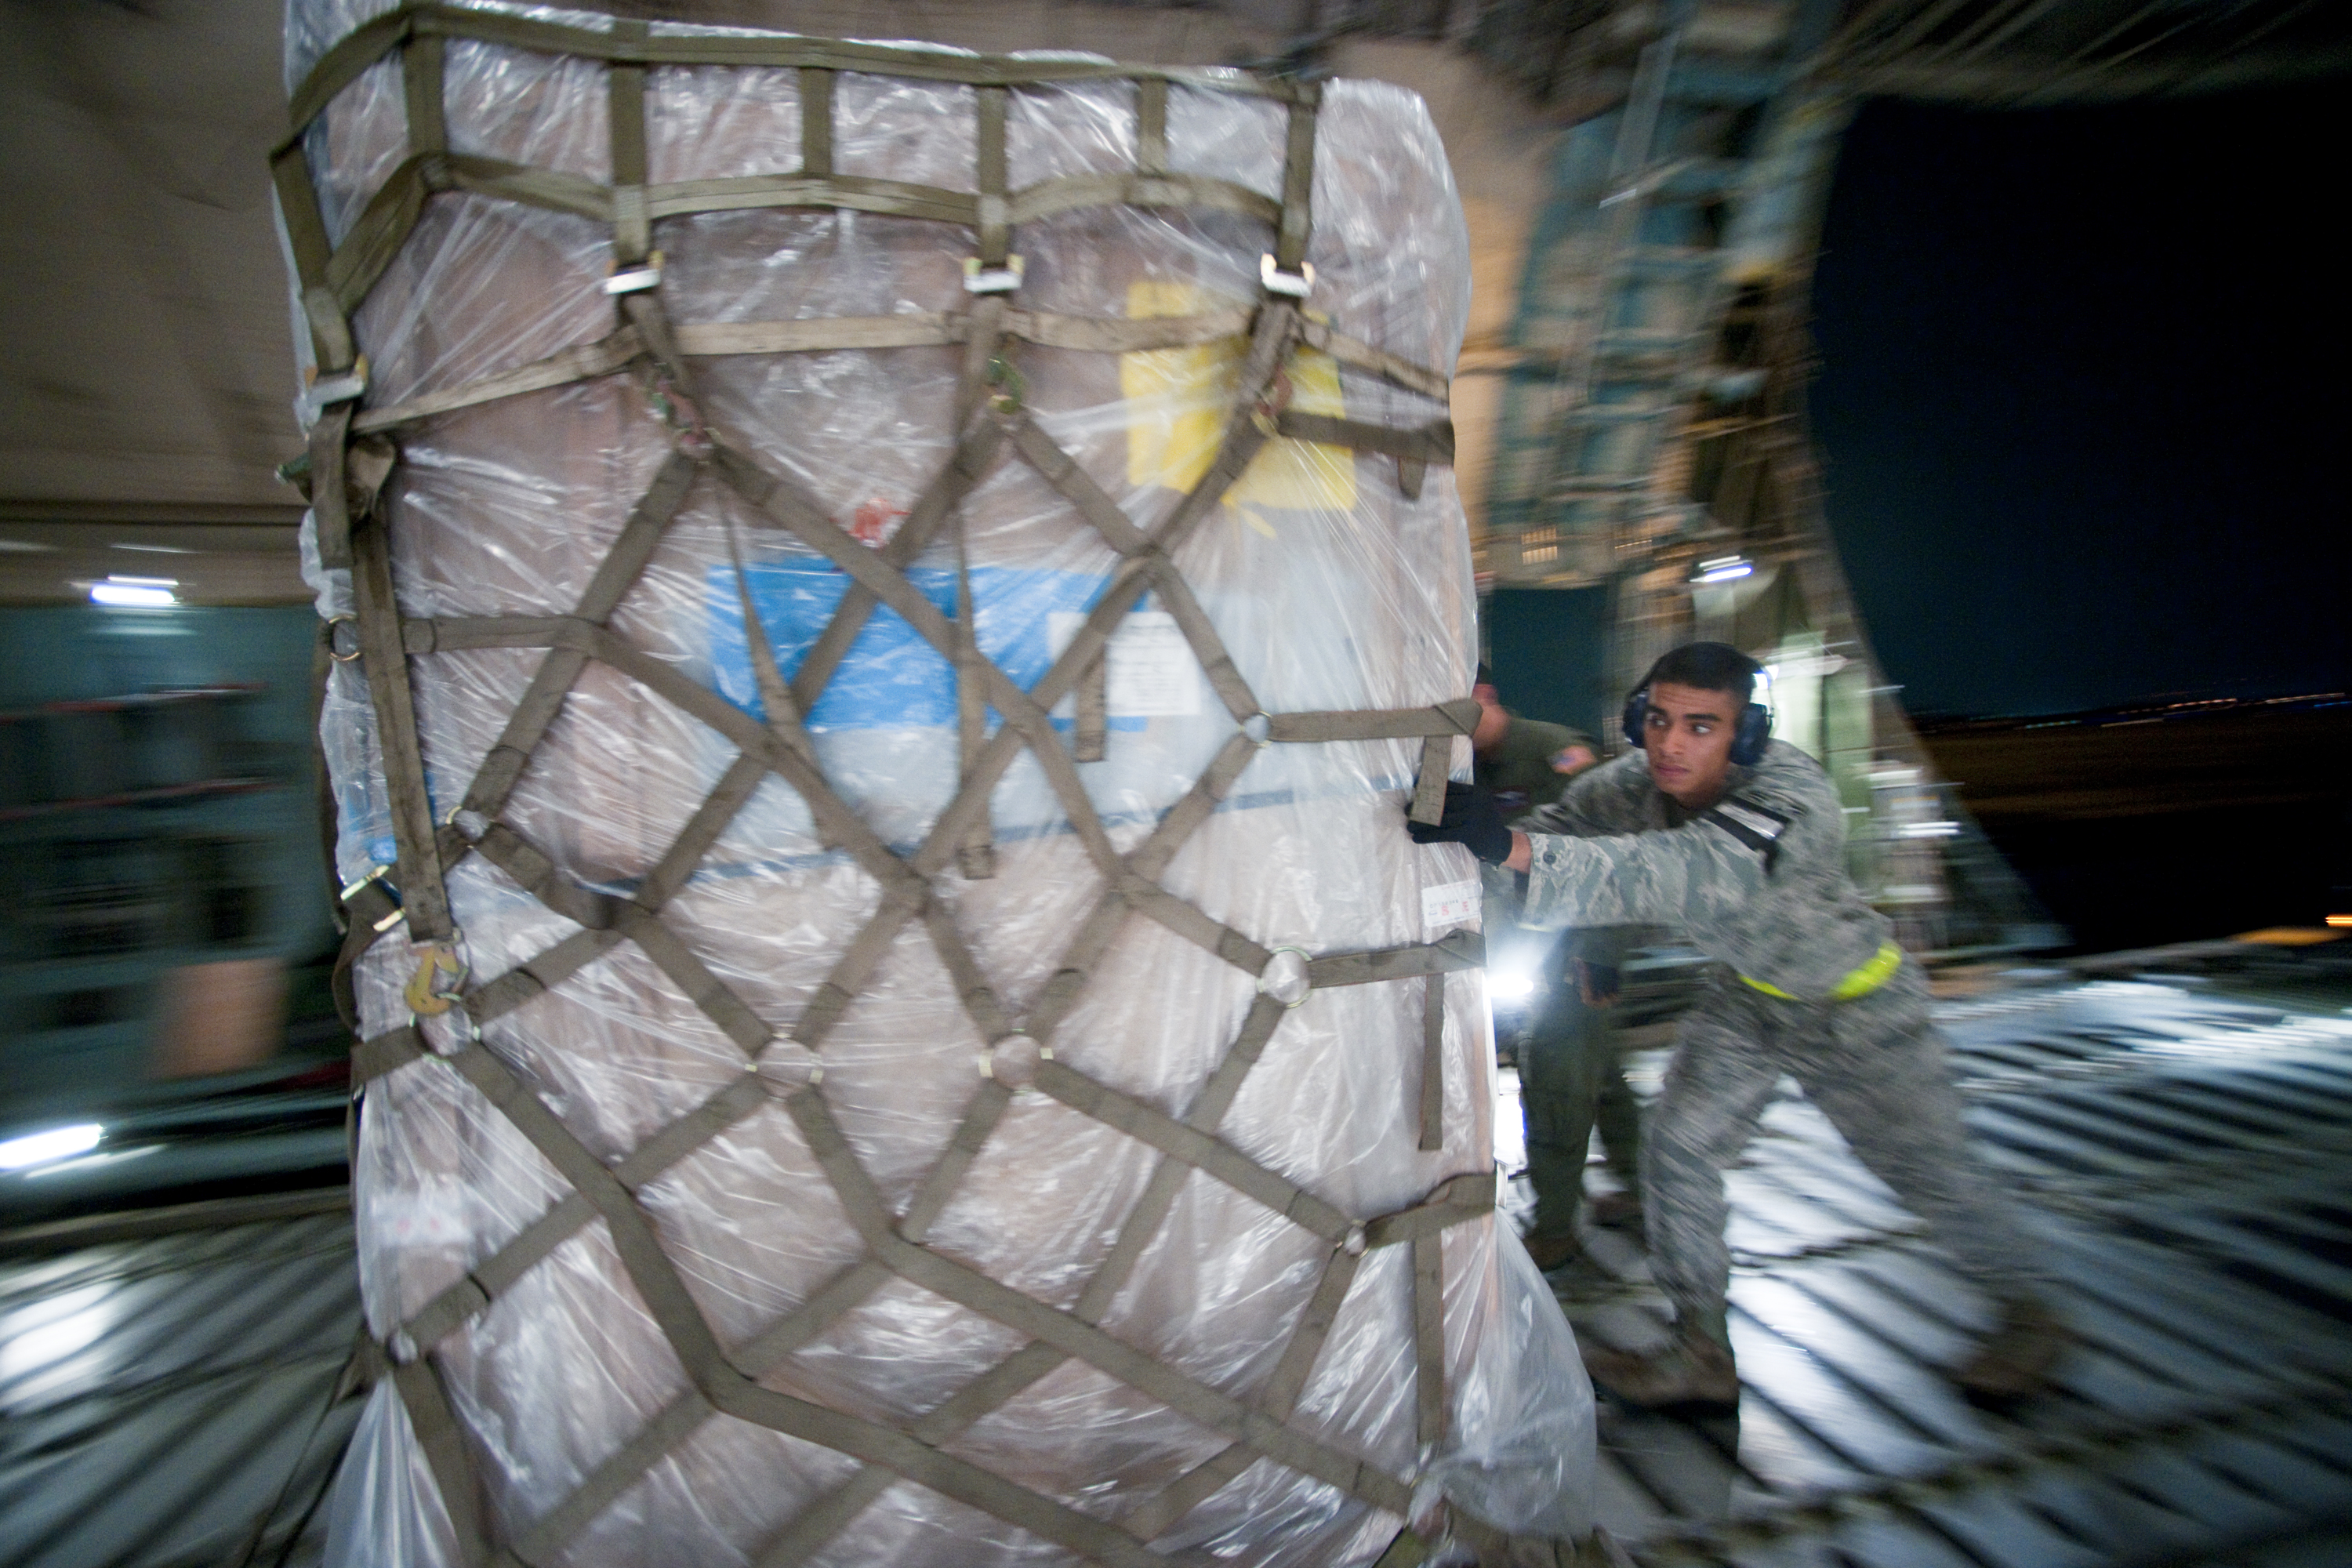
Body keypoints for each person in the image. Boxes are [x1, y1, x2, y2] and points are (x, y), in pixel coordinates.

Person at [1410, 642, 2062, 1407]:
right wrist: (1455, 847)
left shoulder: (1789, 795)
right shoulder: (1636, 782)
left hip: (1856, 1006)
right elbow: (1559, 830)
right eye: (1656, 719)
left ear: (1744, 735)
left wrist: (1511, 844)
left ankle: (2032, 1309)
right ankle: (1700, 1351)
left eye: (1699, 726)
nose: (1670, 743)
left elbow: (1691, 872)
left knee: (1932, 1173)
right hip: (1749, 999)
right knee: (1678, 1148)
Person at [1466, 667, 1640, 1271]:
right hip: (1531, 952)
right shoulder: (1470, 769)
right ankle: (1644, 1194)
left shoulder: (1555, 754)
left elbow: (1614, 855)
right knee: (1602, 1080)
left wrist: (1603, 954)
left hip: (1577, 952)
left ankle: (1556, 1230)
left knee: (1556, 1091)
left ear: (1484, 696)